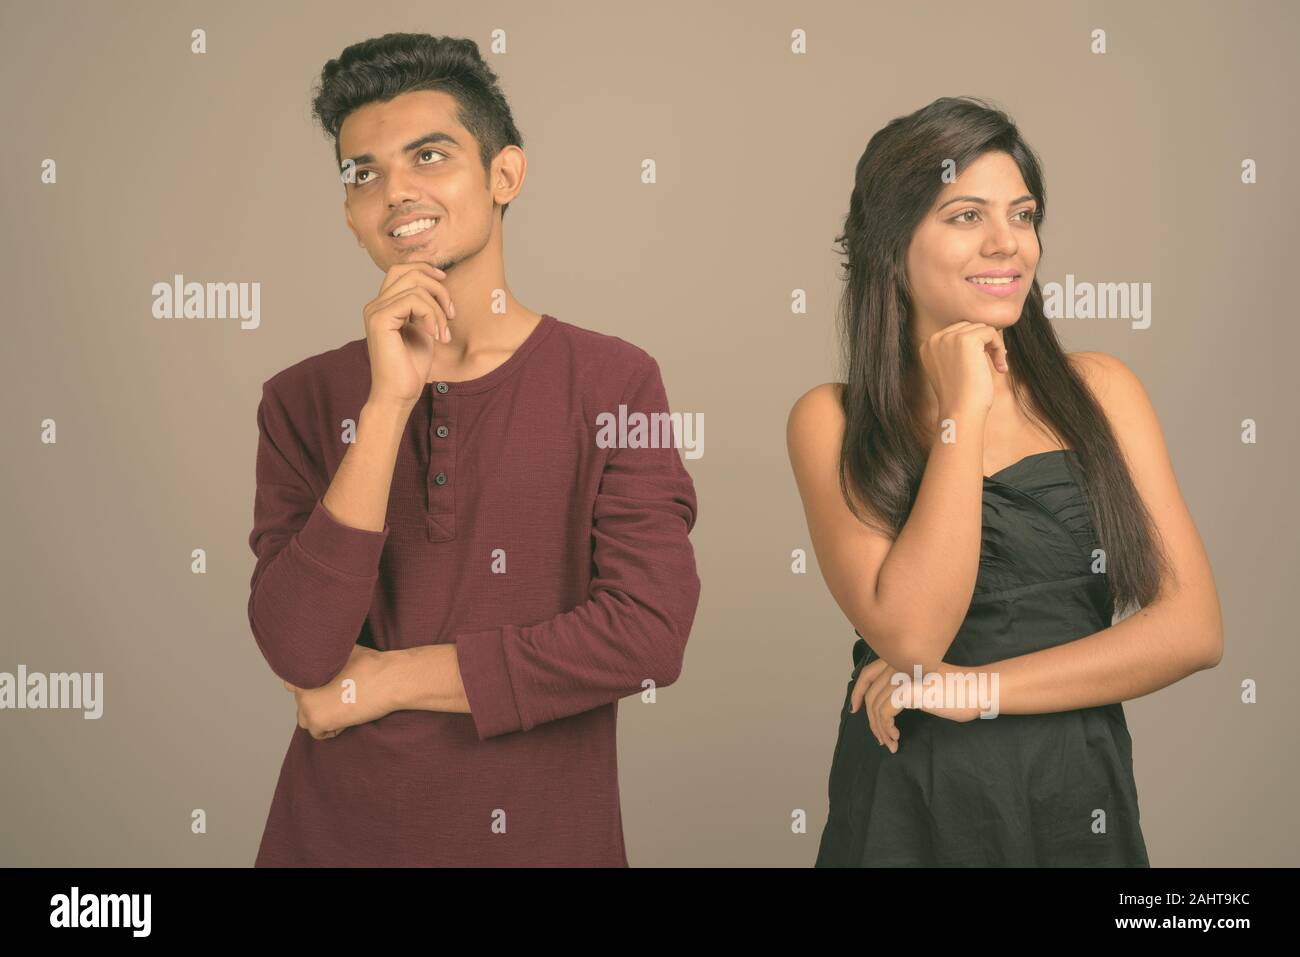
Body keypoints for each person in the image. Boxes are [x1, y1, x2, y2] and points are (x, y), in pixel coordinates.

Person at [246, 33, 700, 866]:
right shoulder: (301, 399)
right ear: (349, 215)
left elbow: (647, 635)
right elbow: (300, 651)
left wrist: (387, 679)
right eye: (364, 172)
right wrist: (388, 402)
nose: (396, 191)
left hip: (545, 842)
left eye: (429, 155)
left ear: (504, 176)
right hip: (331, 841)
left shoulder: (614, 381)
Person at [786, 96, 1222, 866]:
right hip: (907, 793)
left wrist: (974, 688)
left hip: (1072, 788)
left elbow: (1192, 628)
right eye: (965, 217)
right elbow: (914, 635)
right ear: (891, 248)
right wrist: (965, 406)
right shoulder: (831, 419)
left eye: (1022, 216)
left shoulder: (1101, 390)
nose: (1006, 244)